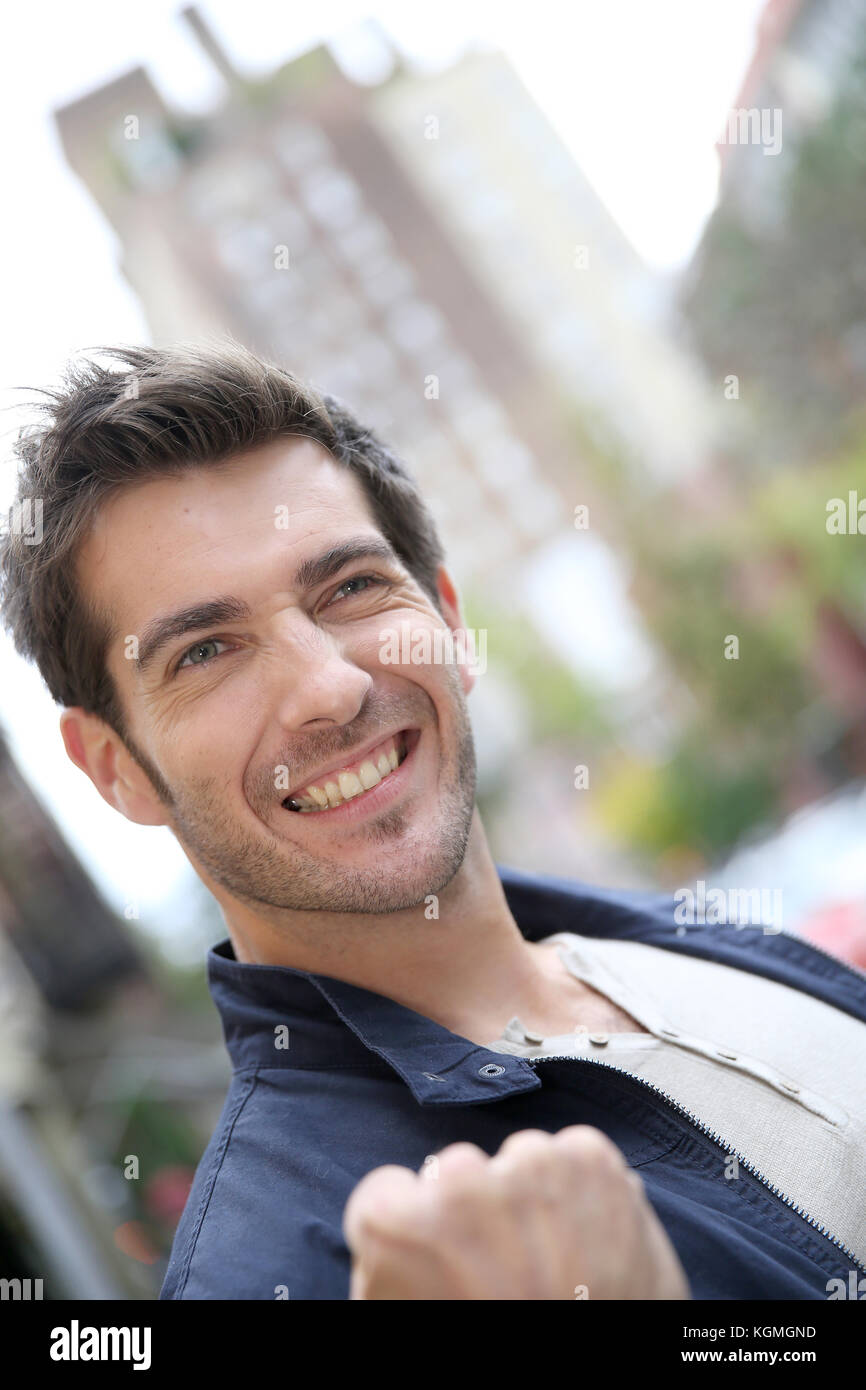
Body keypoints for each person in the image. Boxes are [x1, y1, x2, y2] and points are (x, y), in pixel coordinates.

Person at [2, 340, 864, 1301]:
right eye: (206, 652)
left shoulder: (688, 946)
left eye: (352, 588)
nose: (328, 687)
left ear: (449, 616)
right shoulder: (270, 1275)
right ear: (118, 771)